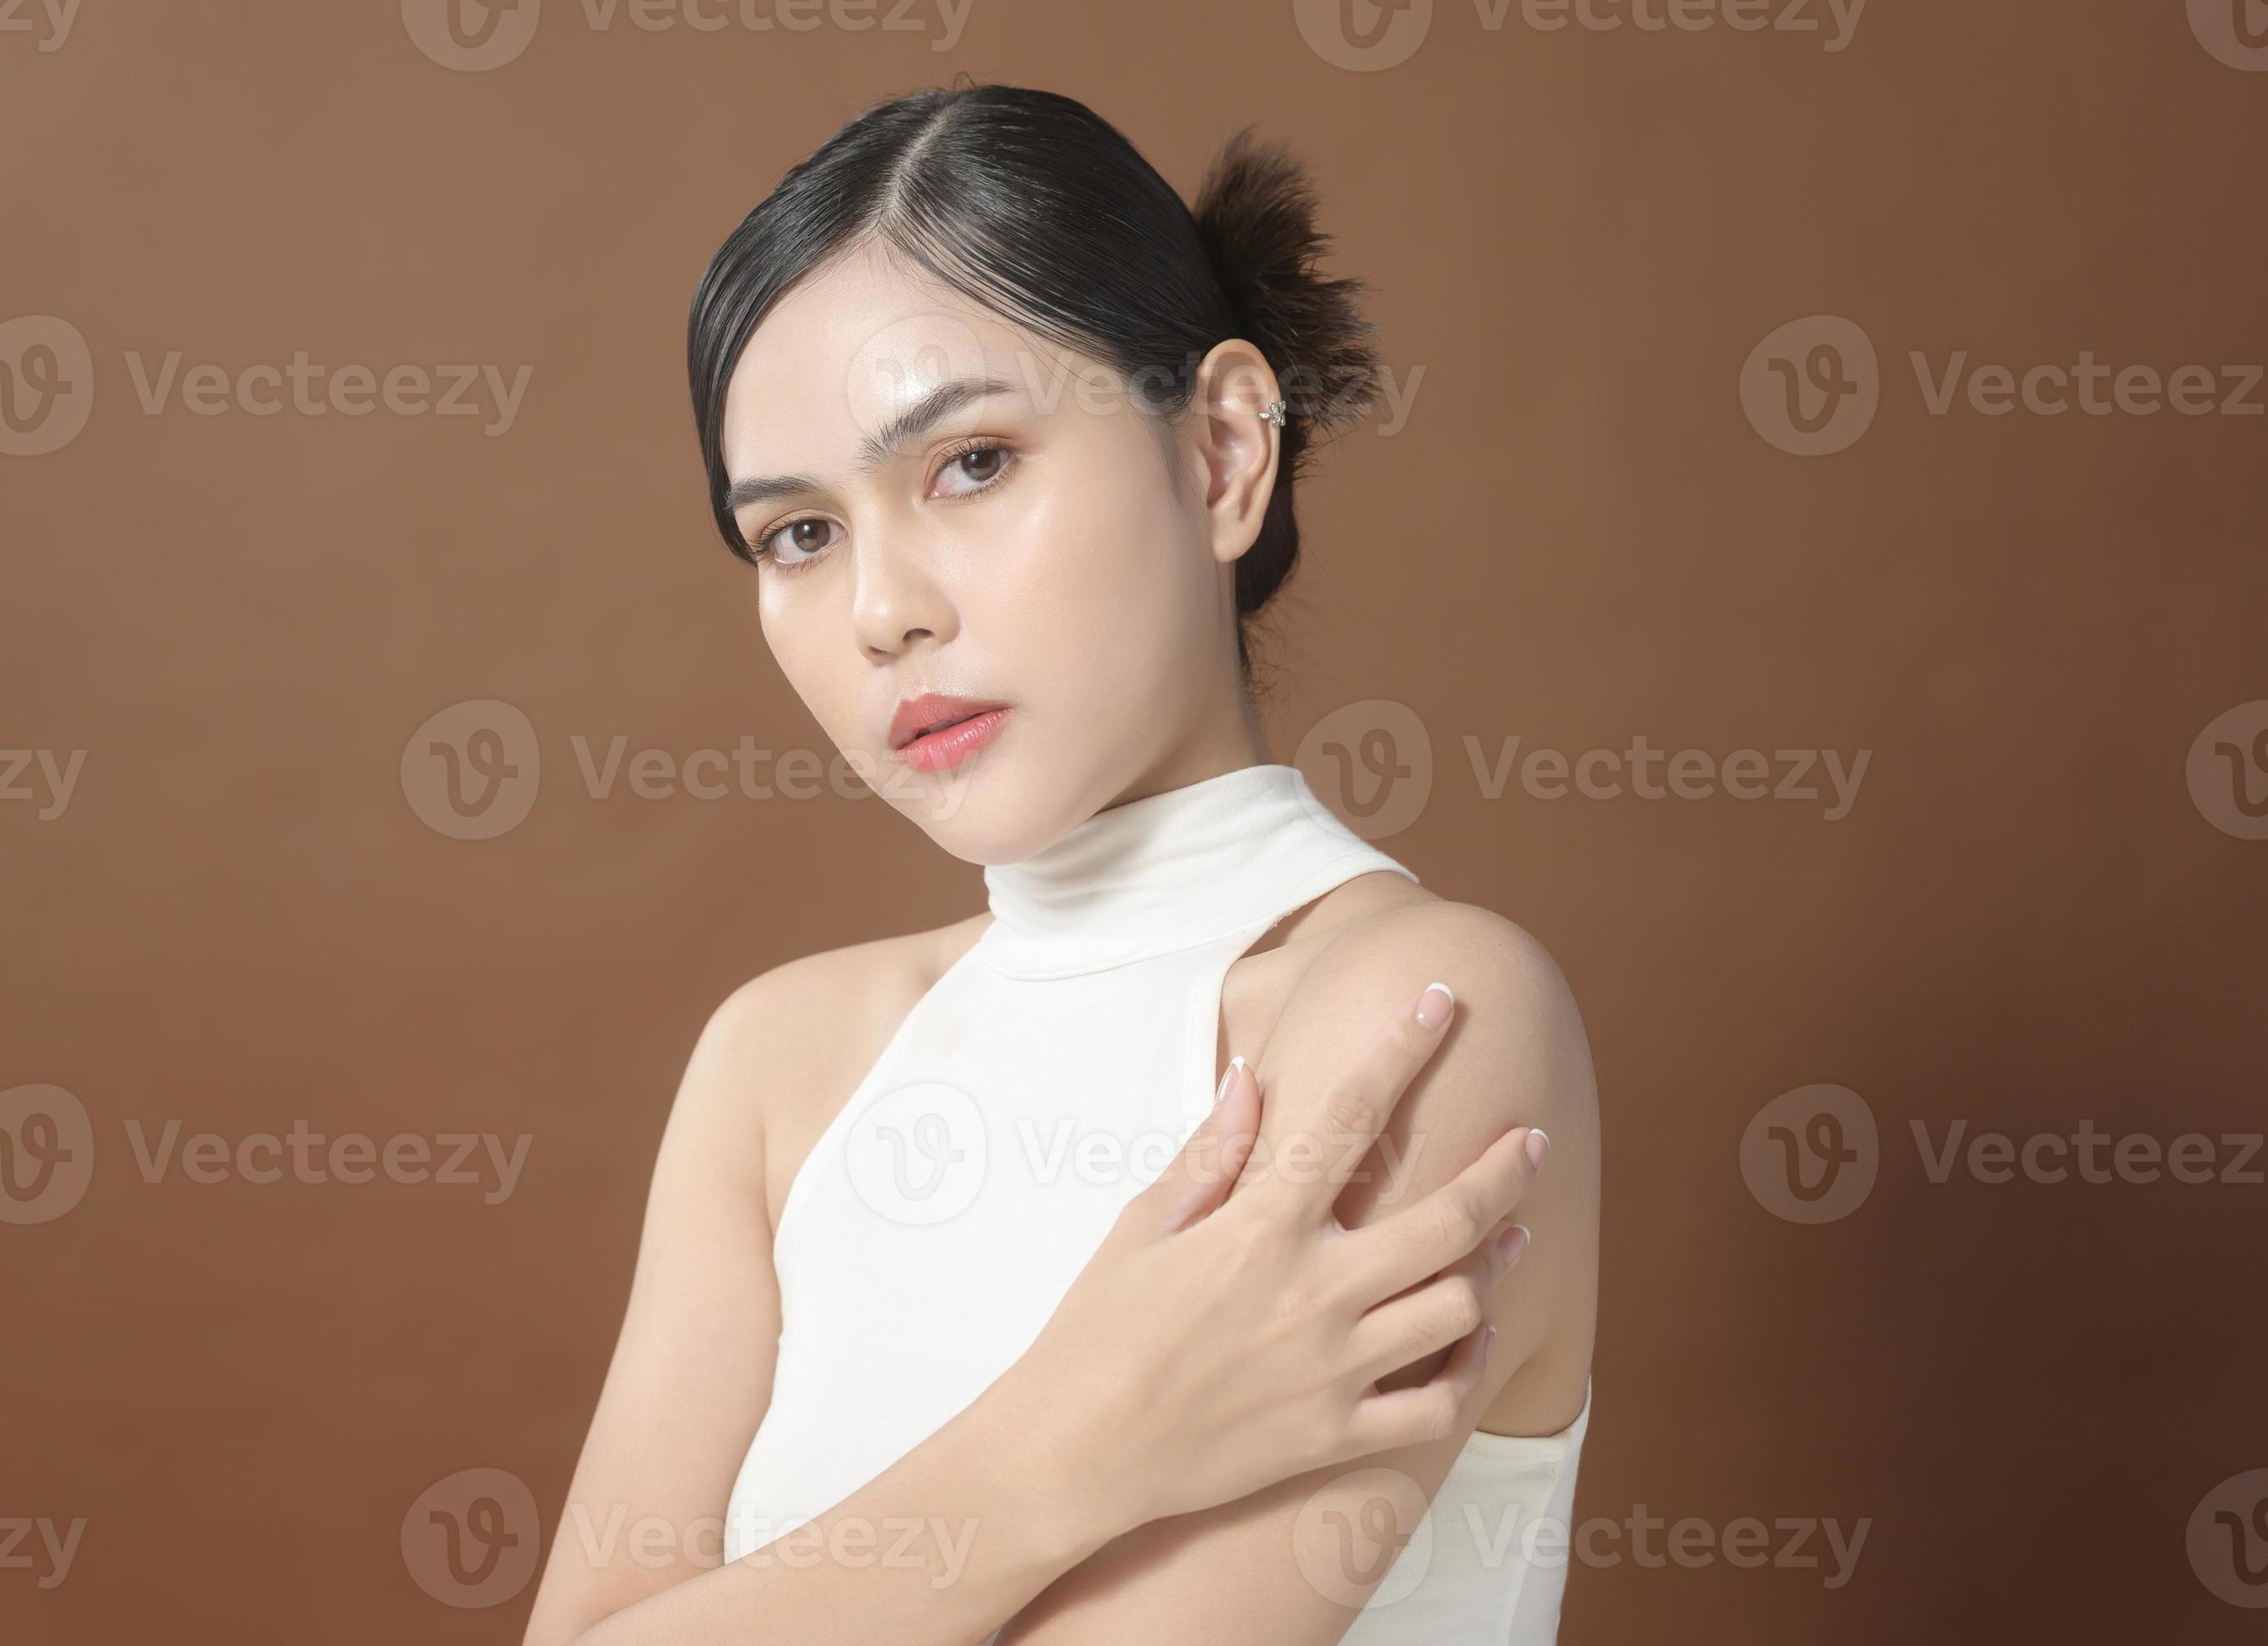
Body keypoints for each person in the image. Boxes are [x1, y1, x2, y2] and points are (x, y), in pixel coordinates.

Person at [525, 81, 1600, 1645]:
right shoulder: (779, 1067)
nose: (881, 609)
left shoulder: (1421, 1015)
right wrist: (1068, 1443)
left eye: (967, 464)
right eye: (798, 536)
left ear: (1224, 451)